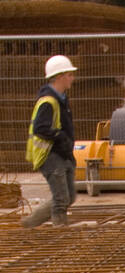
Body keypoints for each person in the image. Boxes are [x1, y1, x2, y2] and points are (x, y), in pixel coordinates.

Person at [22, 55, 77, 228]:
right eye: (69, 74)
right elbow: (41, 128)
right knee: (61, 199)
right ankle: (60, 232)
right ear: (60, 76)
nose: (72, 78)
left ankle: (30, 224)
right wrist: (60, 137)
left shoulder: (61, 98)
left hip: (62, 153)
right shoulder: (48, 101)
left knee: (69, 196)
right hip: (50, 155)